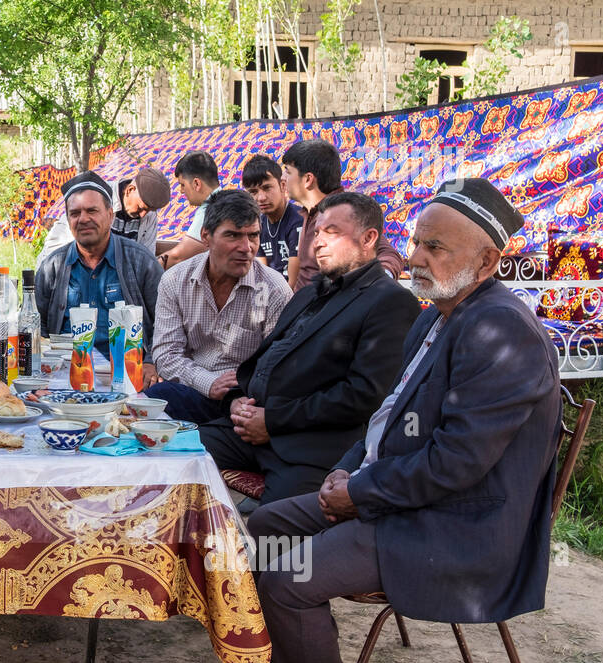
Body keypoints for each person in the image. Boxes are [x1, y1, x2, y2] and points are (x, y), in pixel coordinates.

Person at [250, 179, 561, 663]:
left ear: (488, 260)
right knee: (266, 525)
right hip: (400, 499)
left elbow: (455, 466)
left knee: (286, 578)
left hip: (454, 527)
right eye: (417, 242)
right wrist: (346, 471)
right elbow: (385, 419)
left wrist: (360, 493)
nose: (416, 257)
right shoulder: (436, 312)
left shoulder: (500, 332)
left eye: (435, 248)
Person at [199, 191, 421, 508]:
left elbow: (364, 396)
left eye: (331, 232)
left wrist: (273, 421)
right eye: (316, 232)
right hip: (250, 429)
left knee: (273, 532)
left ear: (369, 238)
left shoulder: (390, 301)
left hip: (309, 447)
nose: (317, 242)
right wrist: (237, 402)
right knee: (169, 455)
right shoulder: (310, 292)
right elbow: (267, 361)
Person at [144, 189, 291, 423]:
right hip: (195, 391)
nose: (246, 247)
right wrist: (209, 383)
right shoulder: (176, 280)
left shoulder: (274, 290)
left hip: (247, 401)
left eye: (253, 236)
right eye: (233, 236)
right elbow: (166, 355)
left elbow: (277, 368)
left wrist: (237, 396)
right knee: (155, 397)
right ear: (206, 236)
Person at [34, 173, 163, 384]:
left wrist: (150, 361)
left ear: (111, 215)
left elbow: (165, 325)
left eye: (92, 211)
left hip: (130, 377)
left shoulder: (141, 262)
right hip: (66, 379)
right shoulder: (53, 266)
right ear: (68, 220)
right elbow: (38, 331)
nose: (83, 219)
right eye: (75, 213)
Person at [282, 138, 404, 291]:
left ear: (308, 179)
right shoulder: (308, 213)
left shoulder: (344, 215)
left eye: (287, 171)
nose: (283, 178)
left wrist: (374, 289)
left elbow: (388, 255)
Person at [36, 166, 172, 266]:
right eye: (141, 208)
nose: (143, 215)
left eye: (149, 211)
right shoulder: (96, 197)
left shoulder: (149, 213)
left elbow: (145, 258)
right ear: (130, 190)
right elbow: (58, 249)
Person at [241, 153, 304, 286]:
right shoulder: (258, 225)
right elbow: (262, 274)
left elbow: (293, 283)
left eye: (267, 188)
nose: (261, 198)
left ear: (282, 185)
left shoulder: (298, 220)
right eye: (253, 192)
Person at [157, 151, 220, 270]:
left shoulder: (211, 209)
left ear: (196, 183)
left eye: (182, 185)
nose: (181, 191)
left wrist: (145, 270)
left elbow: (178, 257)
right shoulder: (225, 201)